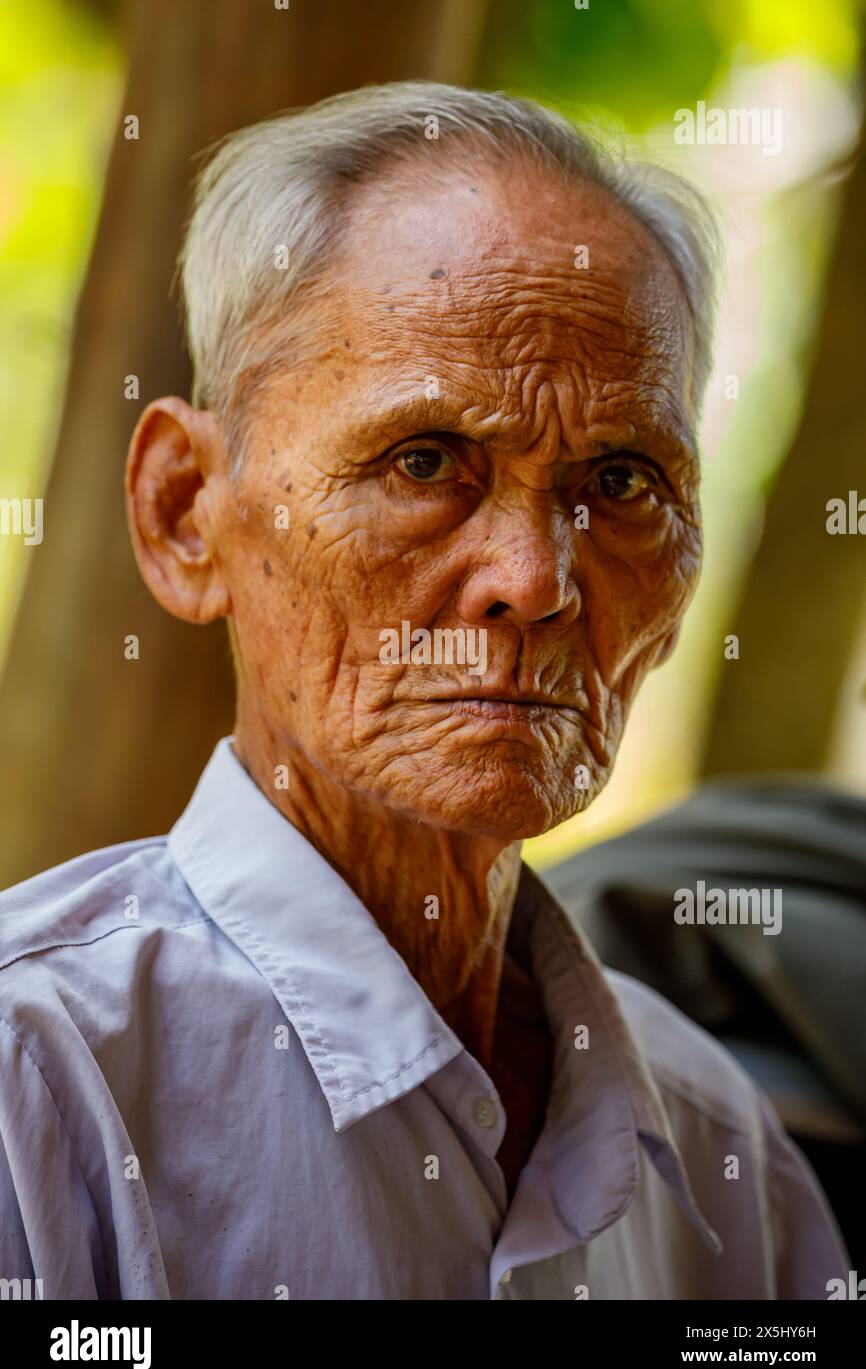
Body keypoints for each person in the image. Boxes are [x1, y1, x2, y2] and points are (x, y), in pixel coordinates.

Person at [0, 82, 849, 1299]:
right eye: (424, 461)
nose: (535, 580)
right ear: (187, 513)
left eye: (618, 482)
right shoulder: (35, 1082)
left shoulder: (722, 1157)